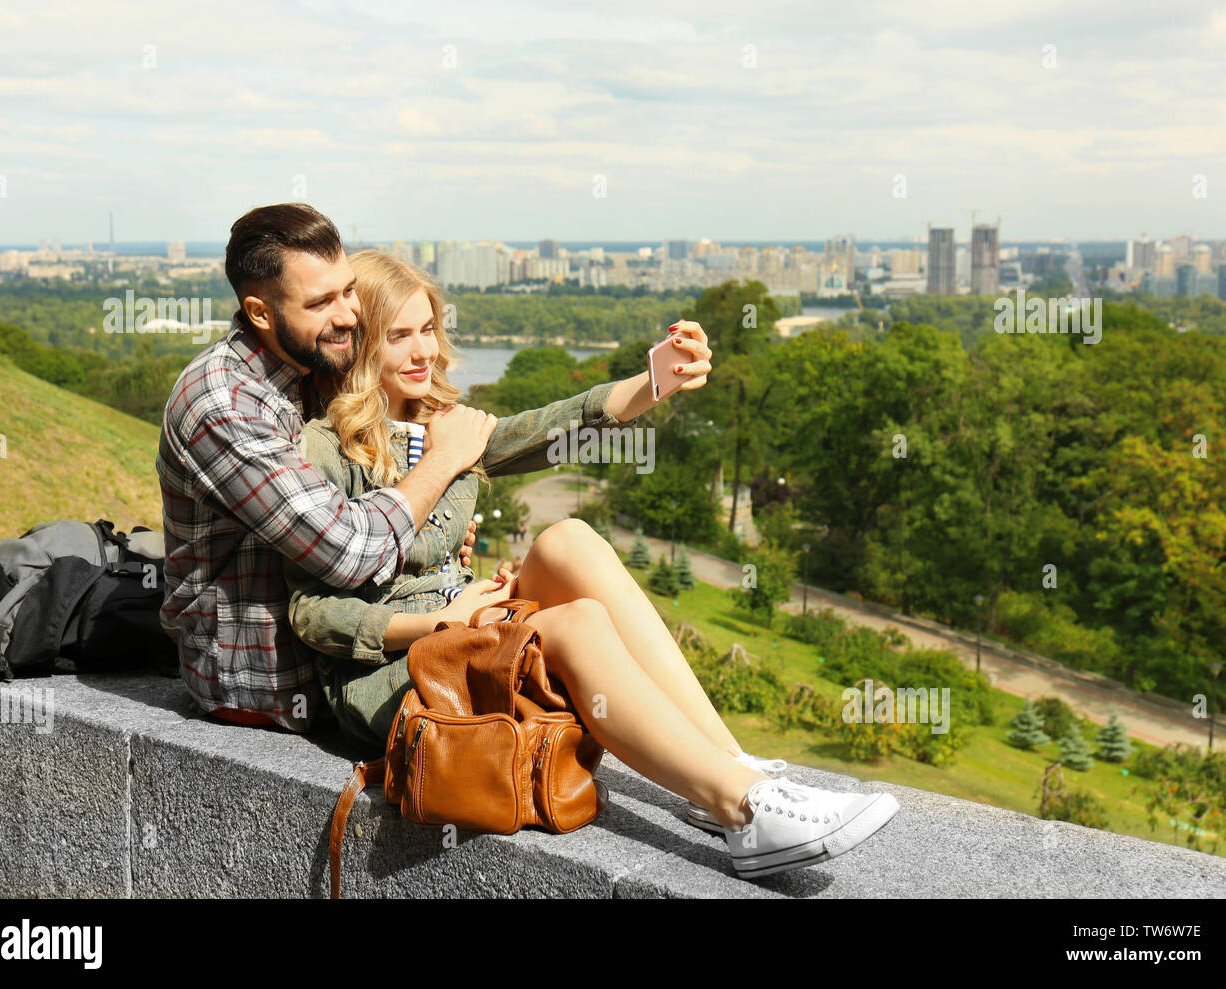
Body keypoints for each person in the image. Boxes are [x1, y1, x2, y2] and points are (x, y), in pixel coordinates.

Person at [284, 250, 901, 879]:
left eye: (429, 329)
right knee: (575, 623)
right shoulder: (324, 447)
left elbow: (549, 430)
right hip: (390, 678)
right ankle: (742, 811)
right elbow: (312, 615)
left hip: (461, 630)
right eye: (399, 336)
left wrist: (653, 381)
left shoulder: (445, 424)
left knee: (568, 540)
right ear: (361, 346)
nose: (424, 351)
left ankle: (730, 763)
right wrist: (446, 619)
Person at [156, 204, 478, 732]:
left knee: (566, 573)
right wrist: (441, 466)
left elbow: (379, 476)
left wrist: (440, 535)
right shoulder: (226, 405)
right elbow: (348, 551)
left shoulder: (313, 360)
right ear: (260, 312)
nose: (349, 314)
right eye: (322, 301)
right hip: (271, 679)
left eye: (348, 289)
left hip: (360, 642)